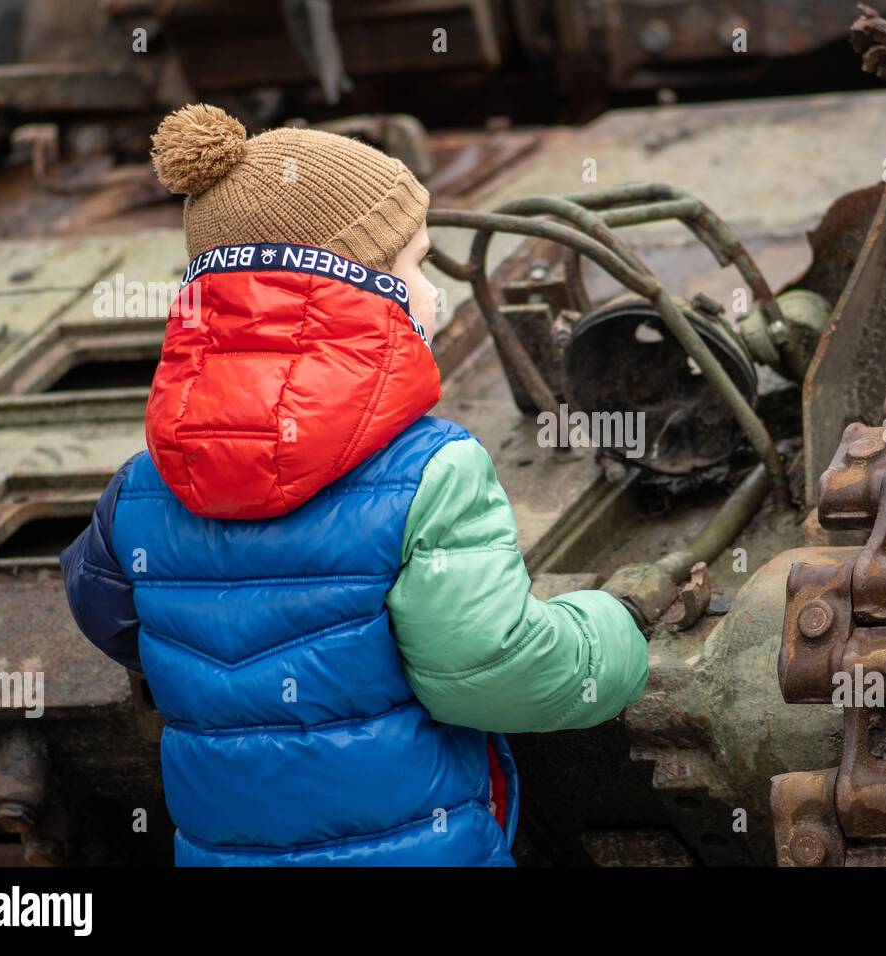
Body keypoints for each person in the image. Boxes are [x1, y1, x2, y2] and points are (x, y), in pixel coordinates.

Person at [60, 104, 649, 866]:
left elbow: (100, 607)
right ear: (358, 291)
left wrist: (218, 667)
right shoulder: (432, 471)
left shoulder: (142, 488)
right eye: (418, 264)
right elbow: (492, 672)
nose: (436, 291)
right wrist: (614, 631)